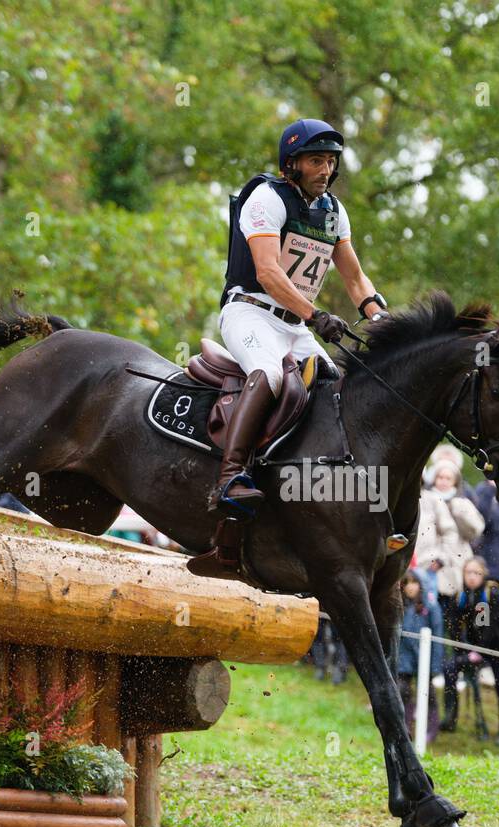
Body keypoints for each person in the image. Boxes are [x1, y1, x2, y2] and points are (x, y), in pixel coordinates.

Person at [194, 119, 386, 566]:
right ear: (292, 164)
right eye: (316, 160)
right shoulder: (266, 198)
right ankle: (231, 476)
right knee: (270, 375)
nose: (326, 168)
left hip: (295, 325)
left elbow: (355, 277)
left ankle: (320, 488)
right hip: (250, 311)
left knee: (336, 386)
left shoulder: (334, 211)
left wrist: (381, 318)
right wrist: (316, 315)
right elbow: (268, 272)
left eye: (331, 161)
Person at [441, 558, 499, 741]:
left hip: (495, 649)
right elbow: (452, 626)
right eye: (468, 572)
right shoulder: (459, 596)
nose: (472, 577)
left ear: (483, 574)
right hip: (469, 651)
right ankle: (451, 717)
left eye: (476, 573)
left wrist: (480, 651)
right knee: (449, 668)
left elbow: (492, 627)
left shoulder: (491, 593)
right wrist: (463, 650)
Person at [415, 460, 485, 627]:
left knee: (454, 616)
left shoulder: (462, 502)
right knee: (429, 615)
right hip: (428, 565)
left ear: (455, 481)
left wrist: (458, 510)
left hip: (455, 565)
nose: (443, 481)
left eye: (448, 478)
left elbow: (476, 529)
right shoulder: (424, 499)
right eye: (440, 477)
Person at [397, 569, 444, 746]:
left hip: (426, 658)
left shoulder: (430, 607)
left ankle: (431, 729)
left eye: (414, 582)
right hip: (405, 658)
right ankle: (405, 728)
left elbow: (438, 638)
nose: (410, 587)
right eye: (406, 582)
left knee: (428, 694)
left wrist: (435, 666)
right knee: (403, 691)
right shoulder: (399, 605)